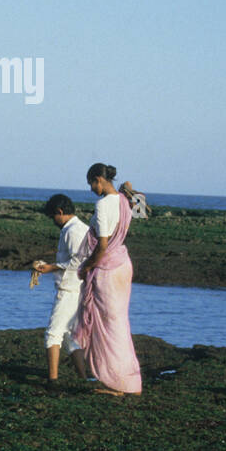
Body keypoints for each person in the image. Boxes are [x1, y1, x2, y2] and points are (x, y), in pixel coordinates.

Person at [72, 163, 142, 395]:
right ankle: (122, 378)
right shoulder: (123, 201)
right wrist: (127, 188)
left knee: (110, 324)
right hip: (122, 263)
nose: (91, 188)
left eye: (92, 183)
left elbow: (101, 246)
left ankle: (119, 382)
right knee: (118, 321)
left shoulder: (103, 204)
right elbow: (132, 195)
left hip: (107, 269)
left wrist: (87, 267)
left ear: (99, 180)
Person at [32, 194, 89, 388]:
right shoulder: (79, 228)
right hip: (77, 288)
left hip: (70, 289)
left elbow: (78, 261)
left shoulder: (72, 231)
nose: (53, 221)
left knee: (53, 333)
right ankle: (83, 378)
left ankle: (53, 380)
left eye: (52, 217)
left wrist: (52, 267)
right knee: (70, 336)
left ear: (60, 212)